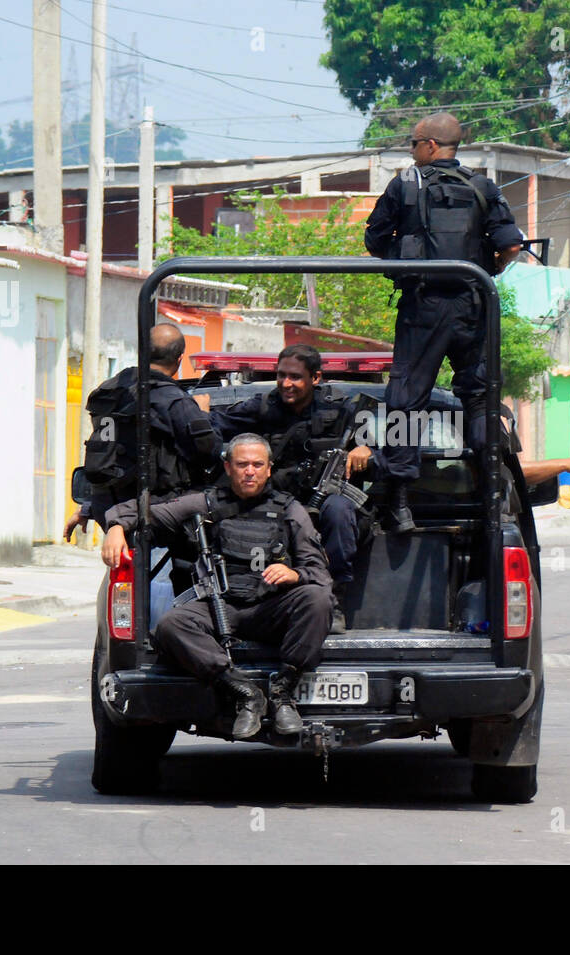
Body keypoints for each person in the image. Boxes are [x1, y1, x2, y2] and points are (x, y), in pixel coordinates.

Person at [101, 433, 332, 740]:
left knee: (316, 599)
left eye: (257, 464)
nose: (249, 471)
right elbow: (148, 512)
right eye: (242, 464)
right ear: (228, 467)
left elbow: (319, 573)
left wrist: (294, 575)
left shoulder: (290, 510)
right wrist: (116, 527)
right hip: (220, 607)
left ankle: (283, 693)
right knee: (172, 624)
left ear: (268, 469)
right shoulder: (207, 504)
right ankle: (243, 692)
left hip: (270, 607)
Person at [364, 111, 524, 532]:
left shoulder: (405, 185)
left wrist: (405, 253)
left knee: (407, 399)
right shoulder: (481, 186)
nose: (412, 150)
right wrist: (490, 269)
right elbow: (510, 245)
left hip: (423, 306)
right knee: (479, 397)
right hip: (473, 304)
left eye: (414, 143)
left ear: (430, 146)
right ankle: (491, 493)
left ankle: (398, 502)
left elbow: (375, 240)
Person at [208, 344, 375, 634]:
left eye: (295, 377)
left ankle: (333, 600)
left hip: (325, 500)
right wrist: (196, 410)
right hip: (276, 502)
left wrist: (366, 449)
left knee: (339, 509)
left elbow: (385, 451)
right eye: (281, 375)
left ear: (316, 378)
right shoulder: (262, 407)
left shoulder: (341, 409)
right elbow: (211, 426)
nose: (286, 383)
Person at [63, 323, 221, 541]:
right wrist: (204, 415)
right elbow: (208, 452)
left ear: (142, 352)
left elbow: (118, 455)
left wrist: (89, 507)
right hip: (154, 513)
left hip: (109, 505)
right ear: (180, 358)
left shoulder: (111, 390)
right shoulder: (175, 402)